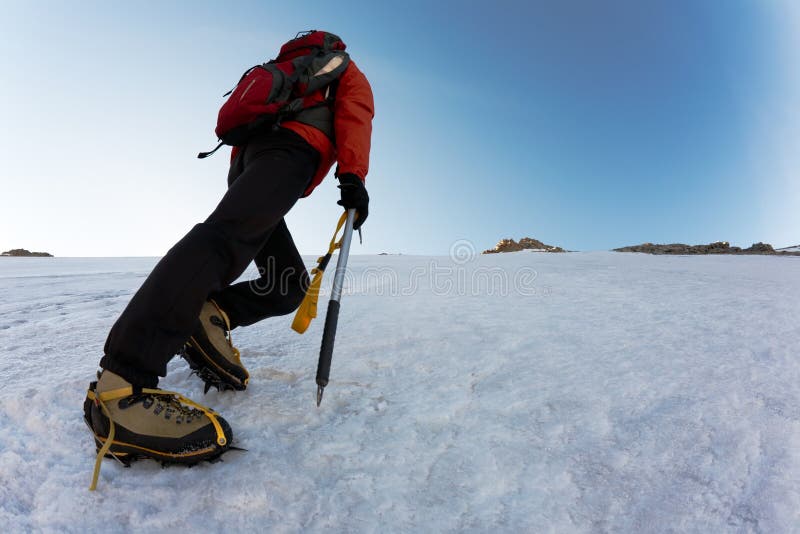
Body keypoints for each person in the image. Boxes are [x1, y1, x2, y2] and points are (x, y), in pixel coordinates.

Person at [83, 30, 374, 484]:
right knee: (223, 240)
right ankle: (123, 383)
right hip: (291, 153)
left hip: (251, 160)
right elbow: (356, 115)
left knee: (288, 282)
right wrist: (353, 176)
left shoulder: (289, 70)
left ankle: (209, 312)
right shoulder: (344, 70)